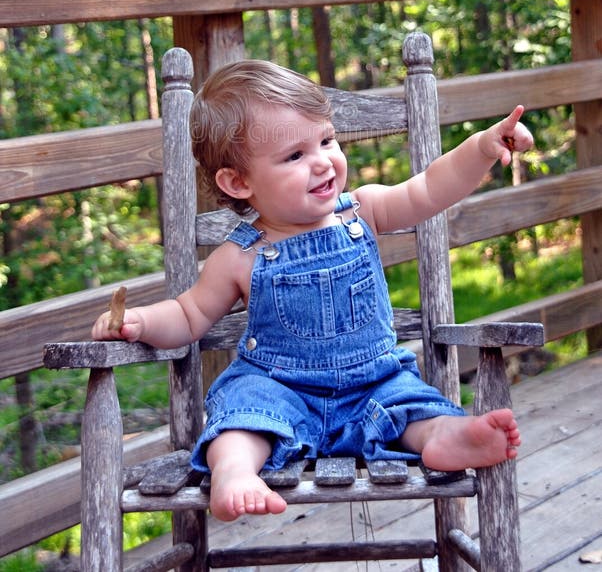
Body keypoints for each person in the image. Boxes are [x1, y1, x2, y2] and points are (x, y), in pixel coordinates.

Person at [92, 58, 534, 523]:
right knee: (243, 416)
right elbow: (187, 317)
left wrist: (484, 147)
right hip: (281, 391)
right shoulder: (239, 255)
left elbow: (430, 188)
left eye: (326, 140)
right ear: (238, 182)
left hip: (373, 385)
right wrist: (140, 323)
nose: (324, 161)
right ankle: (235, 473)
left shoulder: (363, 211)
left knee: (411, 404)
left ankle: (445, 435)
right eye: (295, 156)